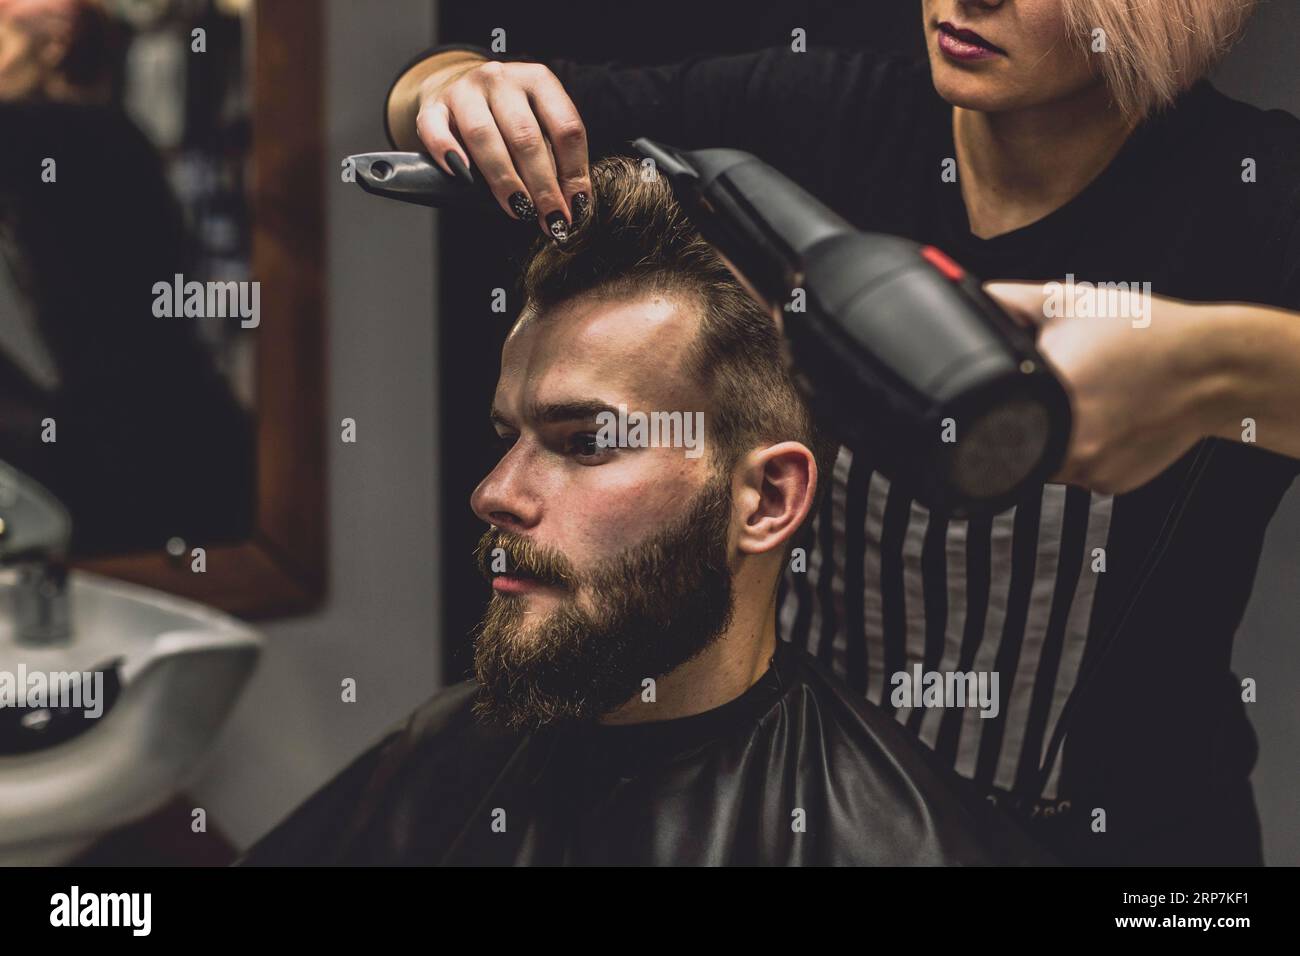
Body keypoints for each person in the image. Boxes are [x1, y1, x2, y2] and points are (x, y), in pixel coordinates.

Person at [381, 0, 1300, 865]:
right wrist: (457, 90)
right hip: (809, 803)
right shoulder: (813, 121)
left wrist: (1217, 365)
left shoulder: (1256, 201)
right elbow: (440, 85)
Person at [239, 156, 1051, 866]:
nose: (492, 493)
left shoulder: (904, 845)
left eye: (586, 441)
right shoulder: (445, 749)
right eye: (508, 435)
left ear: (766, 500)